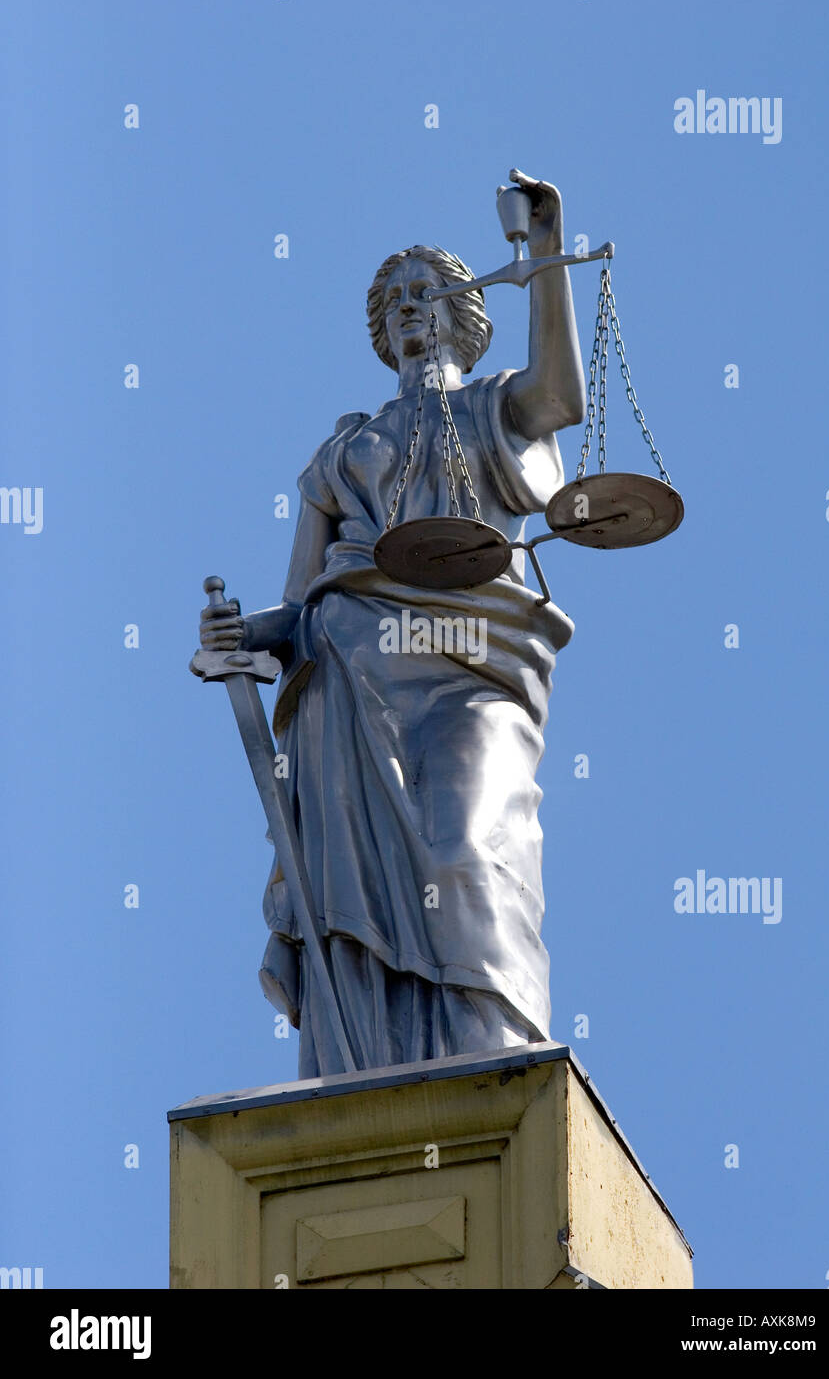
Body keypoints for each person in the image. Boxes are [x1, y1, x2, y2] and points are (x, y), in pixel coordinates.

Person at [199, 171, 586, 1077]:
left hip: (473, 662)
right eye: (395, 298)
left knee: (469, 847)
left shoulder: (493, 406)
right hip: (346, 677)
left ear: (464, 310)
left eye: (426, 291)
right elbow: (299, 605)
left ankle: (492, 1057)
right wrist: (241, 636)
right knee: (358, 891)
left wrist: (546, 254)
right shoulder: (343, 449)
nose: (409, 305)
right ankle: (369, 1068)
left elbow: (562, 397)